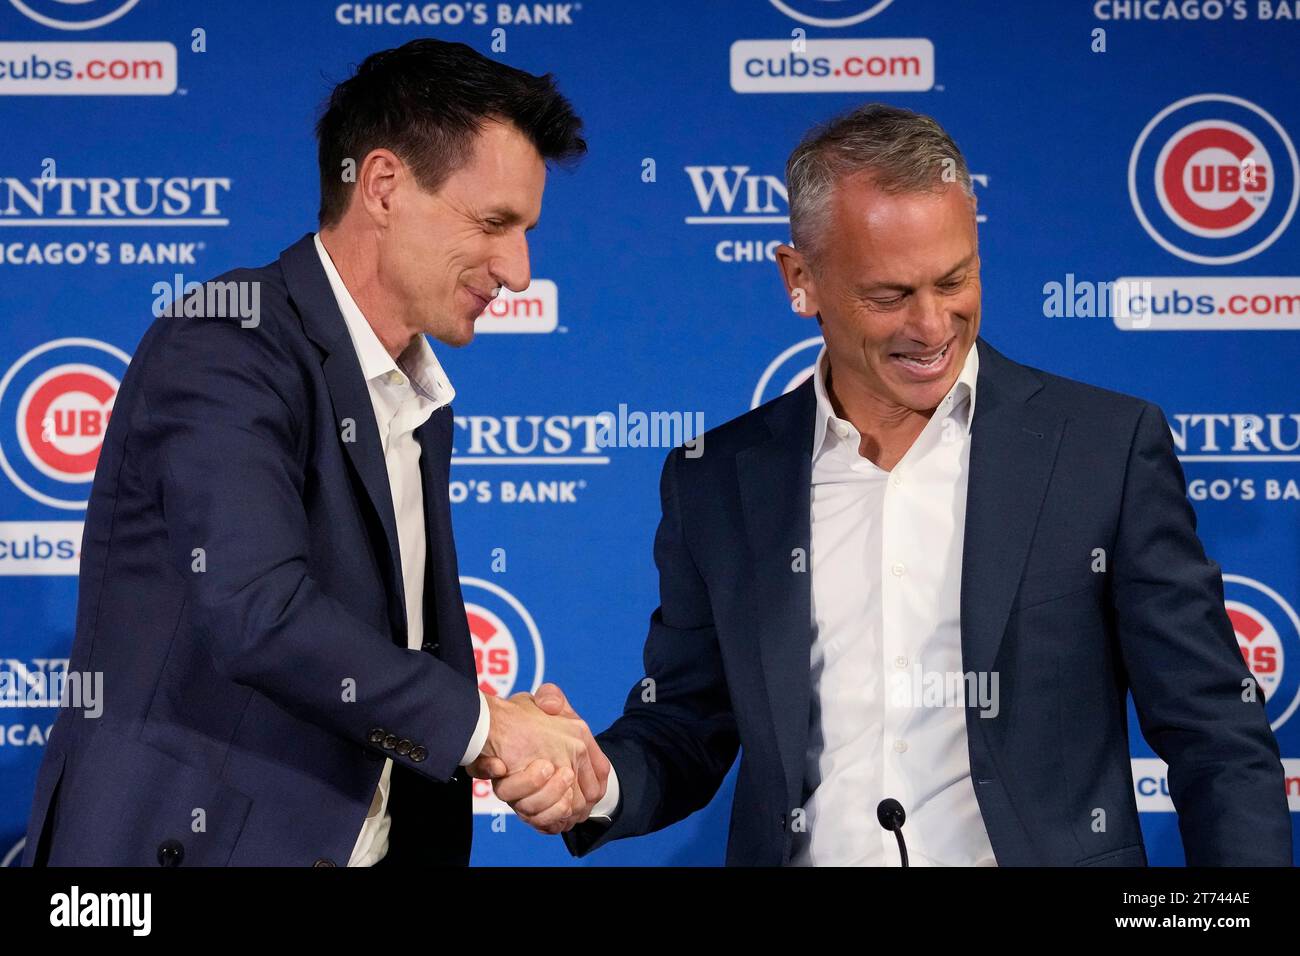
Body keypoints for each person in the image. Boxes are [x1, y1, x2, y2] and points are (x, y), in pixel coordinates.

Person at [489, 104, 1293, 866]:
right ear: (799, 279)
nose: (933, 326)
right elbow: (688, 722)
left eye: (954, 280)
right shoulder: (716, 481)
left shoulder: (1100, 450)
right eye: (891, 296)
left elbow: (1214, 733)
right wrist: (595, 781)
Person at [22, 38, 608, 868]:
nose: (517, 270)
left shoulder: (417, 398)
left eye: (526, 231)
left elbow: (384, 654)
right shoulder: (228, 339)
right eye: (492, 223)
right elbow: (258, 612)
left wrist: (512, 733)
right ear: (383, 186)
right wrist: (487, 728)